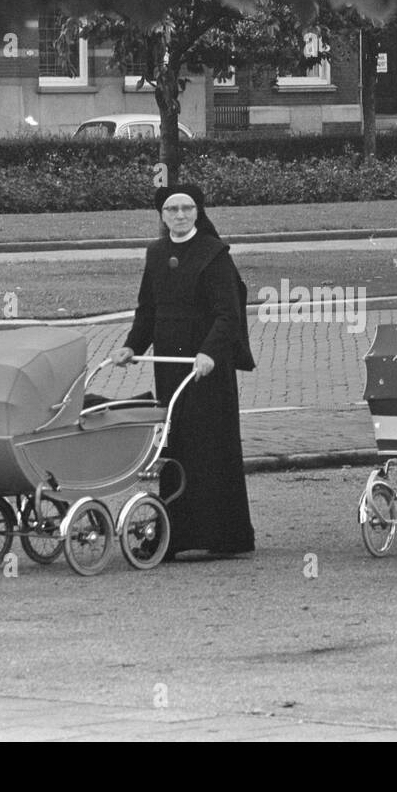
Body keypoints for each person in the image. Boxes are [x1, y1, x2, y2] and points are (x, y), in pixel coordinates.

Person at [111, 183, 256, 559]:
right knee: (174, 447)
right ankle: (174, 536)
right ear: (162, 216)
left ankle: (224, 535)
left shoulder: (214, 254)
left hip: (207, 370)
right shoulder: (156, 253)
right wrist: (132, 346)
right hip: (171, 369)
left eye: (186, 208)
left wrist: (209, 352)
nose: (179, 215)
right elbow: (147, 310)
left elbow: (228, 313)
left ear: (198, 212)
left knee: (210, 447)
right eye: (172, 209)